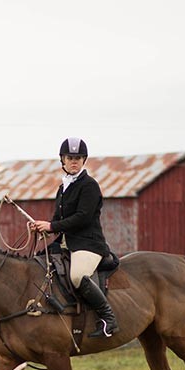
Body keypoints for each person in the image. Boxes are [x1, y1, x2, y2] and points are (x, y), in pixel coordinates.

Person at [29, 137, 119, 337]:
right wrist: (43, 227)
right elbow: (58, 218)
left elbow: (82, 218)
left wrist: (52, 226)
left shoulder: (89, 185)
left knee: (77, 276)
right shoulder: (63, 187)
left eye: (78, 157)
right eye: (70, 157)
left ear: (84, 160)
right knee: (36, 261)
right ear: (63, 160)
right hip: (67, 243)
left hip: (89, 244)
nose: (74, 161)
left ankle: (108, 318)